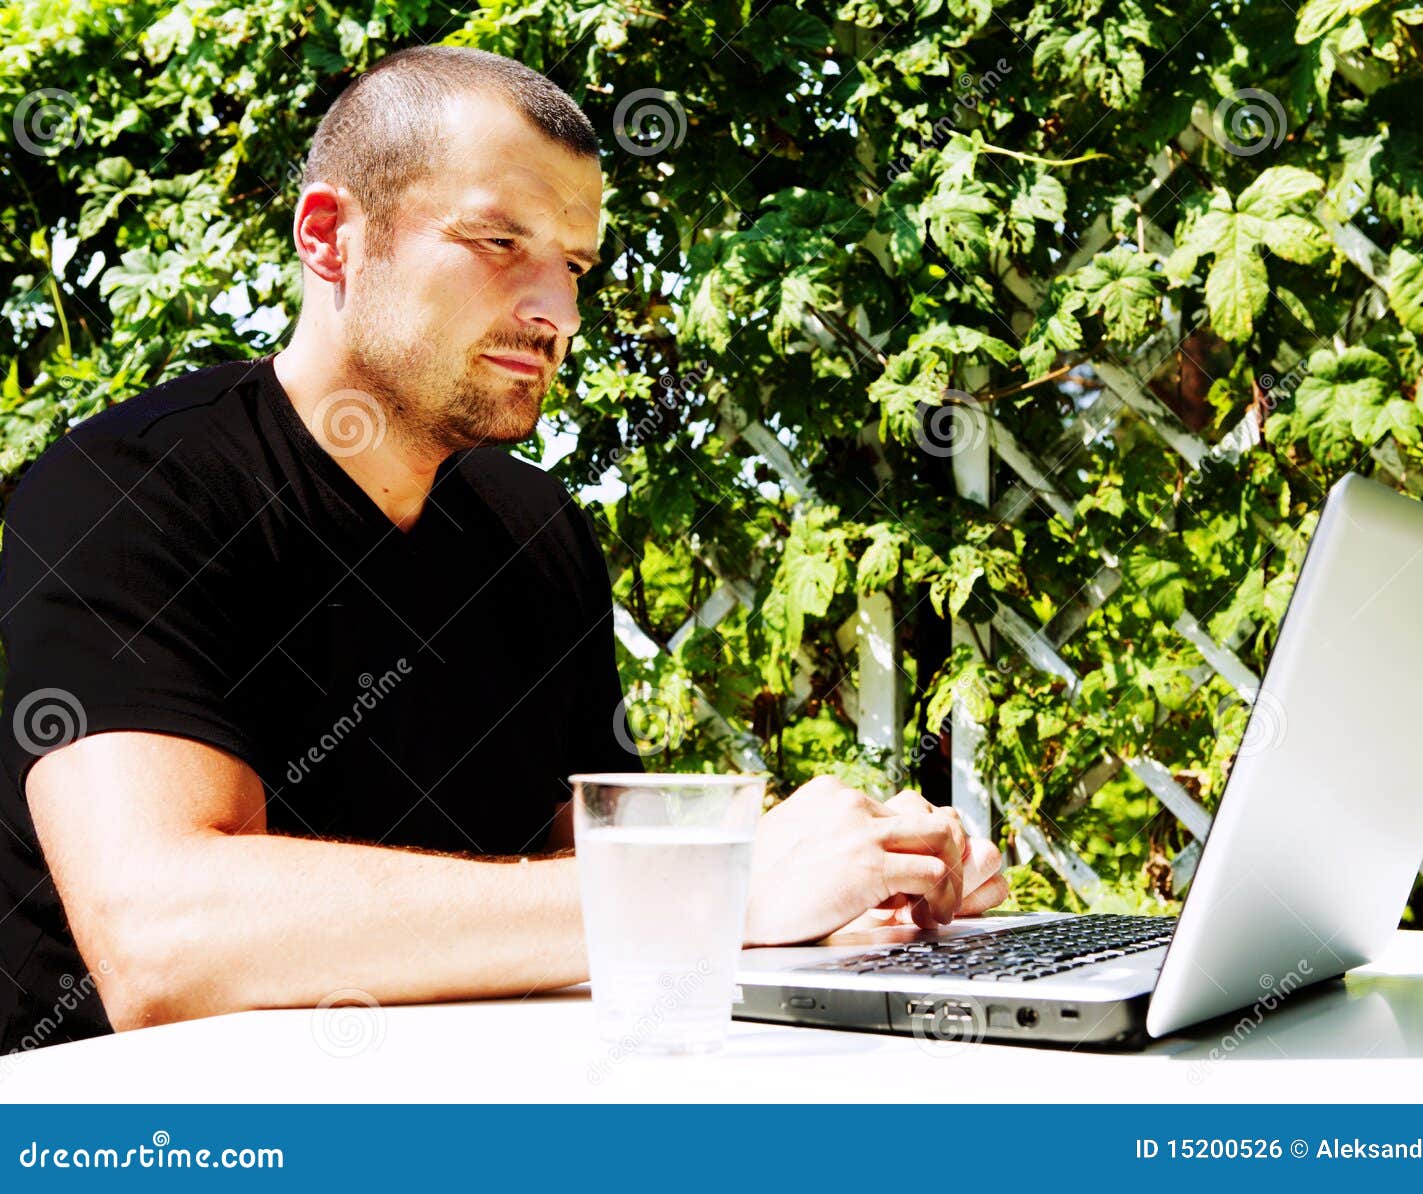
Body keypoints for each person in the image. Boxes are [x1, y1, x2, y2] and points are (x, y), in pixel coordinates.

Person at [0, 45, 1006, 1051]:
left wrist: (865, 871)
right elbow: (163, 943)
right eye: (498, 243)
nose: (557, 315)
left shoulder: (535, 527)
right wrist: (717, 891)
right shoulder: (129, 491)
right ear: (329, 235)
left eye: (572, 266)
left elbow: (587, 870)